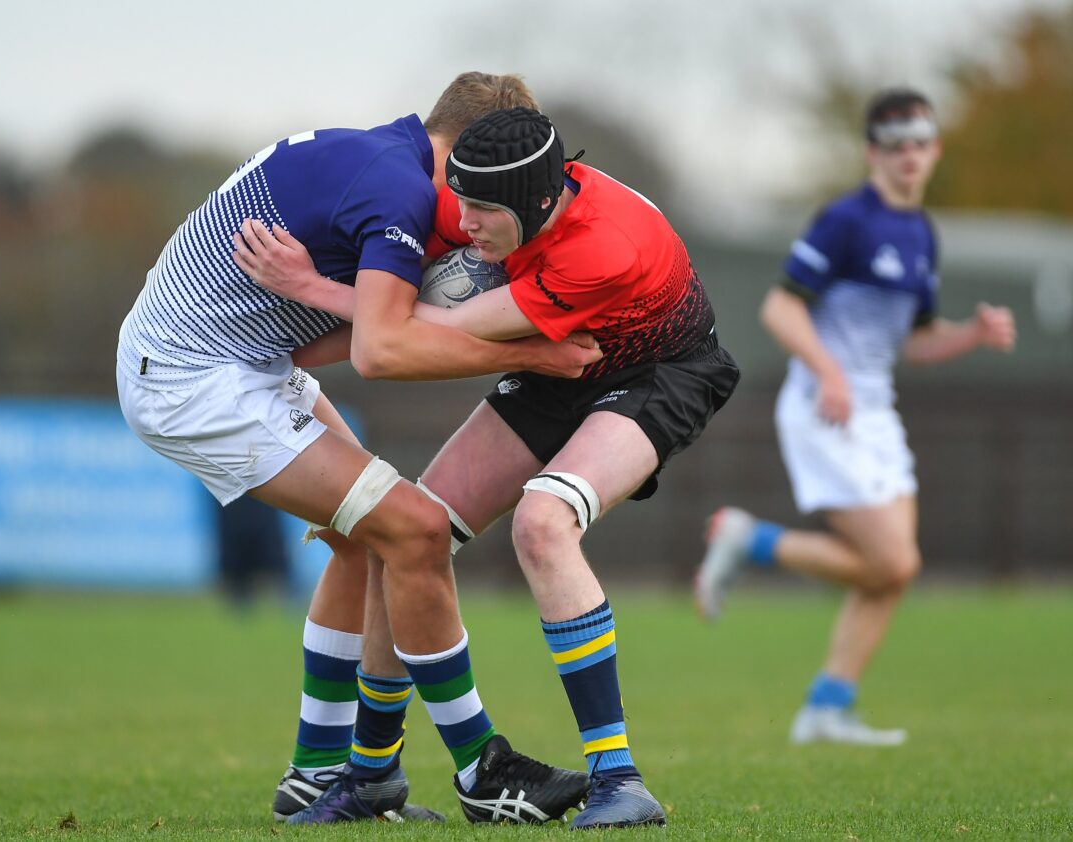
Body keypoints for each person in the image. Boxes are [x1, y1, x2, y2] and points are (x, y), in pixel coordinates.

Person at [236, 106, 741, 828]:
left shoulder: (603, 248)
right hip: (560, 368)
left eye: (482, 211)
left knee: (543, 522)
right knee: (405, 534)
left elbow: (432, 330)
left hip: (662, 370)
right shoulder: (501, 197)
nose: (464, 222)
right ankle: (371, 775)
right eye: (460, 200)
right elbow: (408, 314)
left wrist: (310, 286)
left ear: (538, 199)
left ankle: (618, 779)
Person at [116, 73, 600, 826]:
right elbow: (379, 352)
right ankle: (481, 769)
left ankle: (316, 775)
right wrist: (532, 355)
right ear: (469, 149)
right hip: (192, 375)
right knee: (416, 527)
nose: (490, 203)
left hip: (240, 359)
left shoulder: (384, 164)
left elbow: (325, 346)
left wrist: (320, 292)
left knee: (363, 536)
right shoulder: (398, 194)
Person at [694, 88, 1017, 746]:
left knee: (891, 571)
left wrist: (973, 336)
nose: (909, 156)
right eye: (896, 144)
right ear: (873, 152)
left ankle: (826, 706)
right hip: (824, 408)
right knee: (893, 562)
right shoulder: (845, 220)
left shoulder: (923, 232)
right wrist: (832, 373)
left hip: (875, 414)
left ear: (935, 150)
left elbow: (916, 342)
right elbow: (779, 310)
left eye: (921, 142)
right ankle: (747, 539)